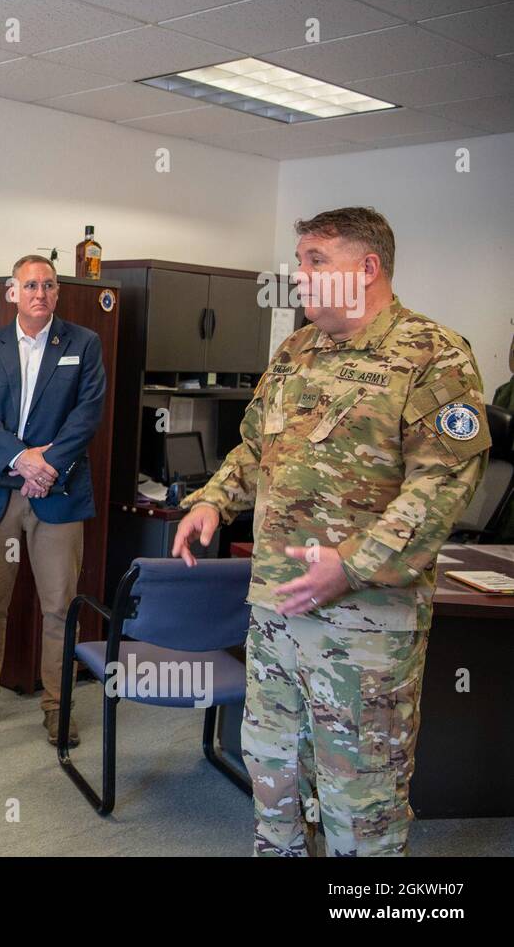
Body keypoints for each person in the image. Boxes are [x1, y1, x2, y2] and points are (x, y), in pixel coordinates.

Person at [173, 207, 490, 856]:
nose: (300, 277)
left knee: (360, 796)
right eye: (300, 263)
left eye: (316, 261)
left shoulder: (436, 355)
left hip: (366, 624)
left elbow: (443, 486)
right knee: (271, 770)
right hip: (276, 612)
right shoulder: (294, 351)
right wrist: (212, 500)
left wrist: (349, 563)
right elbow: (254, 448)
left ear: (367, 267)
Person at [0, 255, 107, 746]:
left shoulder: (84, 343)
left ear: (58, 293)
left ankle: (58, 708)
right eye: (30, 285)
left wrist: (46, 466)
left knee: (59, 607)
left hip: (57, 492)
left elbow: (88, 411)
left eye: (49, 285)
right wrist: (20, 459)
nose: (40, 292)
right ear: (12, 292)